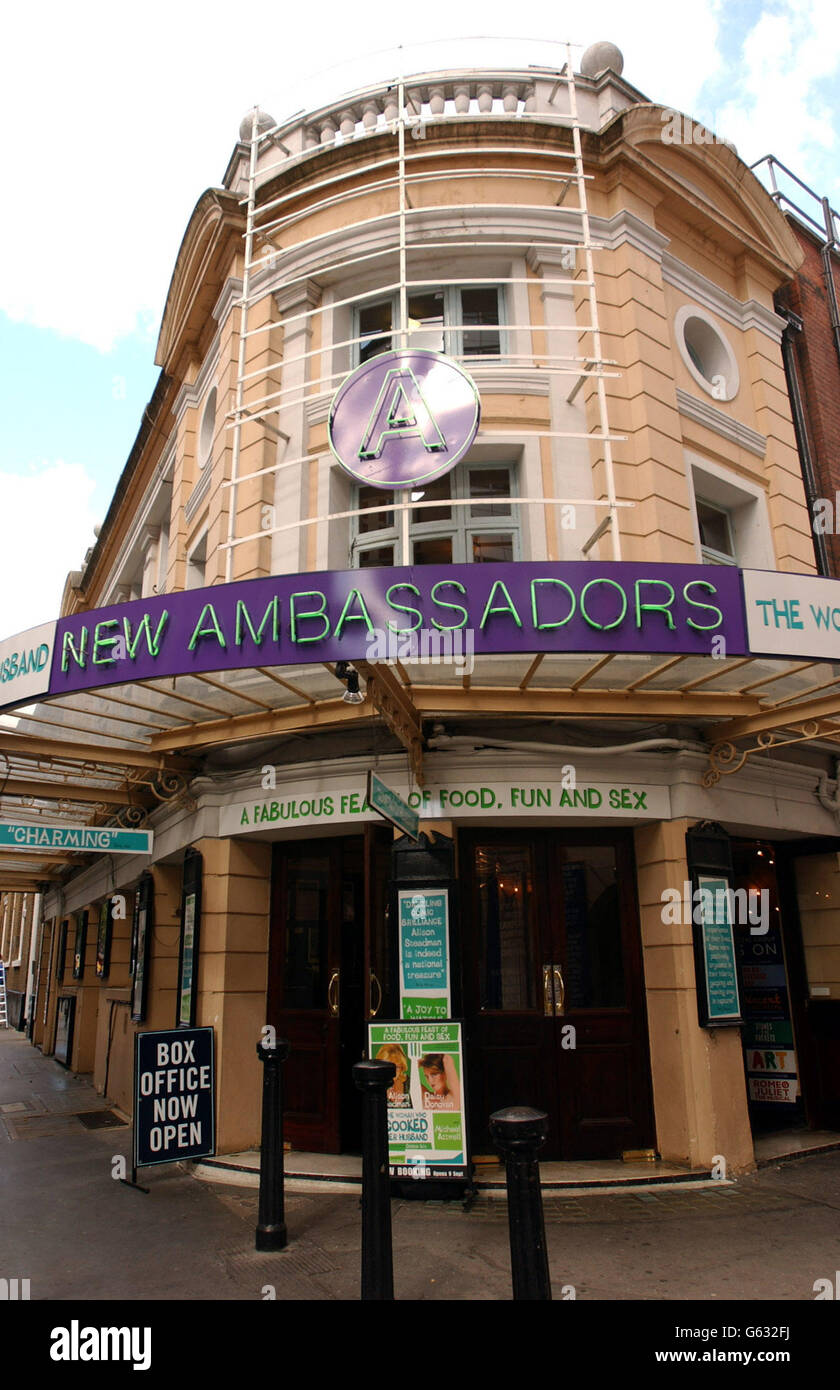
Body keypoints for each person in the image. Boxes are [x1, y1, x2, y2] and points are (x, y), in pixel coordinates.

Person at [375, 1043, 411, 1107]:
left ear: (402, 1067)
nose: (393, 1071)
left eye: (397, 1067)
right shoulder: (375, 1084)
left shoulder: (410, 1083)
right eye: (389, 1067)